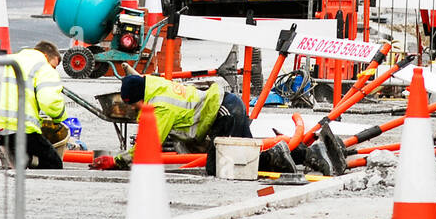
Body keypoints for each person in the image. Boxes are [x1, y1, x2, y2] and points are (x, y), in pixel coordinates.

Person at [94, 74, 296, 175]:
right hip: (227, 107)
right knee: (246, 160)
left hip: (224, 113)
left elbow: (150, 144)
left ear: (139, 98)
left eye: (135, 105)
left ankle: (279, 154)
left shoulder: (159, 106)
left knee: (226, 168)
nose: (137, 110)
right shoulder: (154, 85)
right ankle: (301, 153)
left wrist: (117, 161)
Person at [0, 41, 67, 170]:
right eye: (54, 65)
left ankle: (7, 154)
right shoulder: (43, 67)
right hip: (20, 128)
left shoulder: (9, 59)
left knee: (24, 157)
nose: (54, 69)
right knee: (54, 164)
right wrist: (59, 118)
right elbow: (49, 100)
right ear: (46, 56)